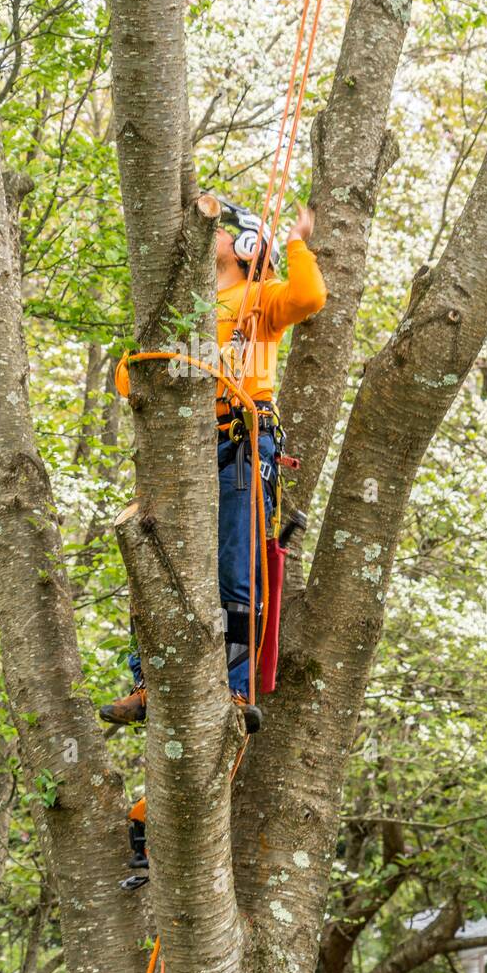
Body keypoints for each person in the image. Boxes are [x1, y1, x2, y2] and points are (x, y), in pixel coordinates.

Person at [99, 194, 327, 734]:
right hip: (185, 448)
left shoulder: (260, 299)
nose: (215, 236)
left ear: (247, 245)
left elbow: (310, 295)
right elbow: (132, 384)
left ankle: (235, 685)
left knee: (235, 569)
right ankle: (147, 680)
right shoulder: (192, 310)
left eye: (225, 230)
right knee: (157, 561)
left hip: (242, 444)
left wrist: (295, 243)